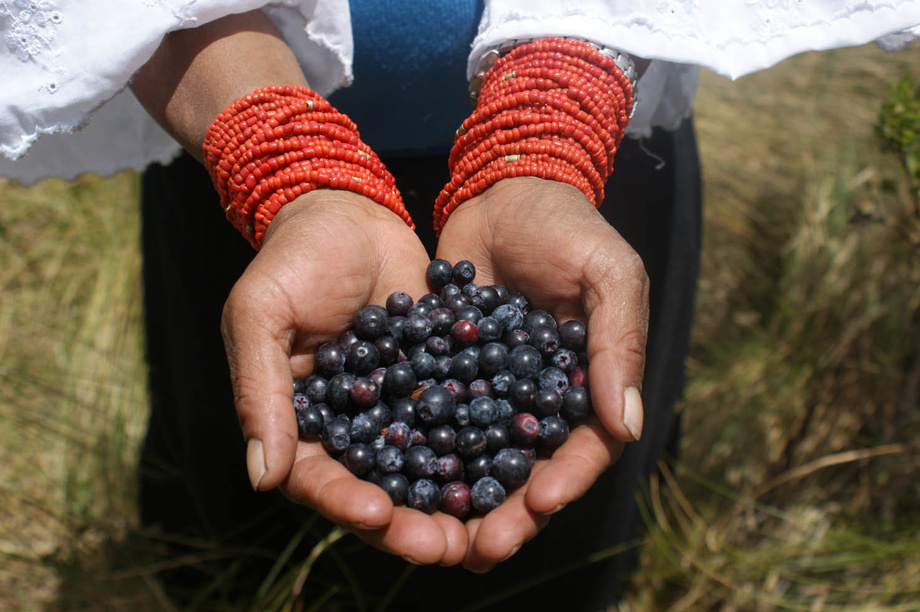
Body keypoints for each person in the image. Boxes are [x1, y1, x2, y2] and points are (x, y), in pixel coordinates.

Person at [2, 1, 918, 609]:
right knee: (238, 554)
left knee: (560, 565)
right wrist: (280, 157)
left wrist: (547, 125)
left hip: (580, 174)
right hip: (254, 190)